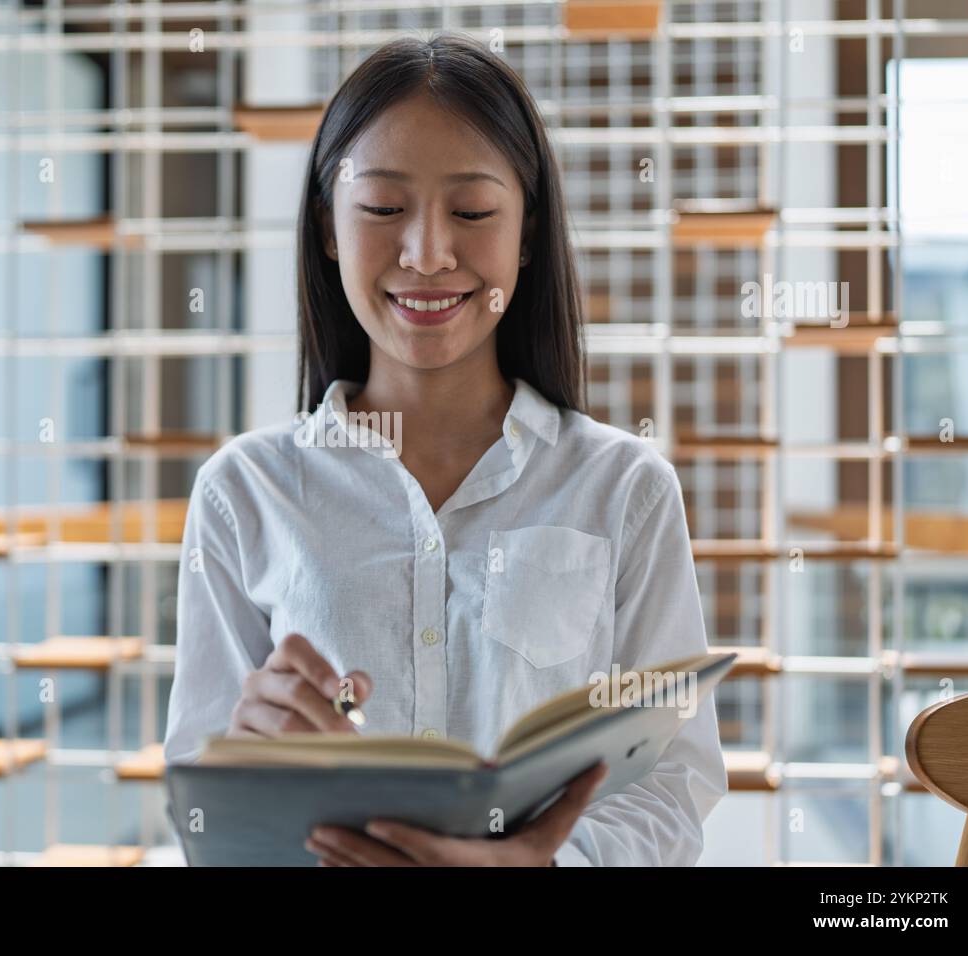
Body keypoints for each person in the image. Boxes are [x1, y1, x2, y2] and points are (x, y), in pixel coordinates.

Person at [164, 33, 727, 866]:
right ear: (328, 228)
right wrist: (250, 765)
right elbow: (199, 815)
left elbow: (673, 782)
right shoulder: (243, 492)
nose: (427, 255)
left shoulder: (624, 488)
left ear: (527, 234)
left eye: (470, 212)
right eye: (384, 209)